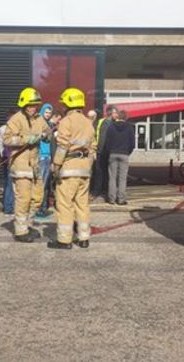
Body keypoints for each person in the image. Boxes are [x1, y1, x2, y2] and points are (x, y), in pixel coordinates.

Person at [48, 88, 97, 250]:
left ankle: (64, 240)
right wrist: (88, 165)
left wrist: (56, 166)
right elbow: (93, 148)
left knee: (65, 204)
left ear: (68, 103)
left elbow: (62, 146)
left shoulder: (66, 122)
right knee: (82, 204)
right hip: (84, 169)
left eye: (63, 104)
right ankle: (84, 237)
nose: (62, 107)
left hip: (69, 168)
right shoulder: (88, 123)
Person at [4, 87, 50, 243]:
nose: (33, 108)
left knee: (37, 198)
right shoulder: (15, 119)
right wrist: (27, 139)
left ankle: (28, 225)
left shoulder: (39, 118)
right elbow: (8, 140)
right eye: (30, 105)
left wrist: (45, 135)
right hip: (20, 165)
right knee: (23, 199)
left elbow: (48, 133)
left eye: (35, 105)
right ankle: (20, 231)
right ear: (23, 104)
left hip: (35, 165)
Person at [106, 110, 135, 205]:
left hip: (113, 153)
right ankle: (121, 199)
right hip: (124, 154)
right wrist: (127, 152)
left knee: (112, 177)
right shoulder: (129, 127)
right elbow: (132, 143)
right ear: (126, 117)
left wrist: (109, 151)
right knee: (122, 178)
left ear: (118, 116)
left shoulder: (111, 127)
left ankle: (111, 199)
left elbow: (107, 142)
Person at [91, 105, 118, 201]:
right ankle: (97, 191)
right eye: (116, 112)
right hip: (102, 152)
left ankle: (104, 191)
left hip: (106, 152)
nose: (117, 114)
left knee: (106, 173)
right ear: (111, 113)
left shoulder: (112, 123)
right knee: (100, 173)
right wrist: (102, 151)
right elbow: (103, 138)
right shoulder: (106, 123)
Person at [34, 103, 55, 222]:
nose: (48, 115)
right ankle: (38, 209)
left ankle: (43, 207)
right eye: (46, 112)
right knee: (40, 184)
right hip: (41, 156)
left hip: (48, 156)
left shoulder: (50, 124)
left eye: (49, 113)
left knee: (46, 184)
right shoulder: (38, 123)